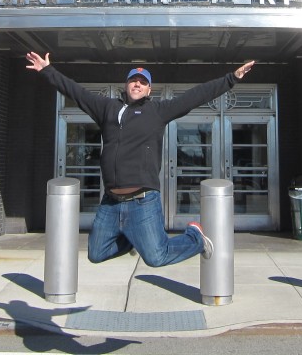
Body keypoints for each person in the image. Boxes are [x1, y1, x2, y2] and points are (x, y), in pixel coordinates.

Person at [26, 51, 255, 267]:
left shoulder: (157, 111)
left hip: (142, 200)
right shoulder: (107, 108)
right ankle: (132, 238)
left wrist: (231, 78)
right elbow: (76, 92)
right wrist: (48, 70)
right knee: (96, 254)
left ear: (149, 90)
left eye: (143, 82)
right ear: (126, 85)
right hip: (111, 202)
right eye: (133, 80)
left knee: (157, 257)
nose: (137, 84)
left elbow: (195, 96)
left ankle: (195, 237)